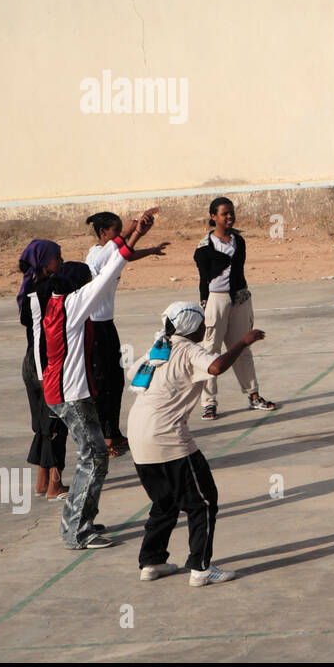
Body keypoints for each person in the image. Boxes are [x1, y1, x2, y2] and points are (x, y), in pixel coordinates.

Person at [32, 208, 159, 549]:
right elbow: (110, 271)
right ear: (77, 285)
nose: (92, 283)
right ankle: (76, 531)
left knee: (93, 457)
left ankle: (80, 519)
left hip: (67, 392)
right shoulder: (72, 304)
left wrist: (133, 237)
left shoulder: (56, 302)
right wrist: (137, 235)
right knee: (94, 458)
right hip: (70, 395)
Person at [127, 301, 264, 586]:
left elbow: (133, 374)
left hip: (138, 435)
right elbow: (215, 367)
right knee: (203, 501)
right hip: (167, 438)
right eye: (202, 323)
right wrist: (242, 342)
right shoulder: (190, 349)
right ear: (191, 327)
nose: (205, 328)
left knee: (164, 502)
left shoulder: (158, 347)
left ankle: (151, 562)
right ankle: (201, 568)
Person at [85, 211, 169, 456]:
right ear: (104, 233)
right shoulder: (98, 254)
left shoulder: (109, 252)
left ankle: (113, 433)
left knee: (114, 381)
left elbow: (126, 255)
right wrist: (134, 232)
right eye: (115, 229)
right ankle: (101, 440)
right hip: (94, 327)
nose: (120, 233)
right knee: (101, 383)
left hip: (106, 325)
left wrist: (149, 247)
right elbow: (120, 249)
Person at [194, 197, 277, 420]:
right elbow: (204, 281)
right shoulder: (203, 248)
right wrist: (205, 307)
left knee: (242, 348)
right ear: (214, 217)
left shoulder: (239, 242)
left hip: (240, 300)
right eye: (224, 213)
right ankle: (208, 403)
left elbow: (238, 273)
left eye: (231, 212)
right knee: (210, 352)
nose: (229, 217)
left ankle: (253, 395)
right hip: (216, 301)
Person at [17, 239, 68, 501]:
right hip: (45, 364)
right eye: (56, 256)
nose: (60, 261)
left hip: (30, 364)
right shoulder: (52, 288)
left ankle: (42, 481)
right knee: (56, 423)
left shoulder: (27, 290)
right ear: (44, 260)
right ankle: (54, 486)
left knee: (42, 424)